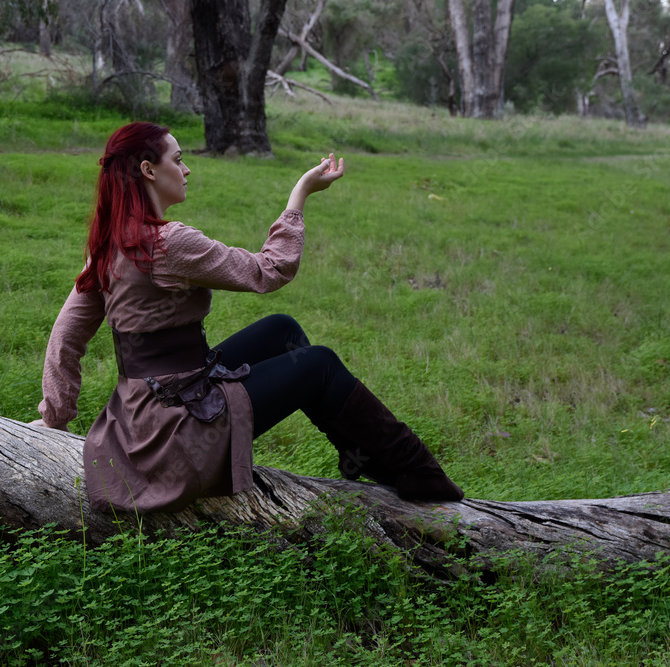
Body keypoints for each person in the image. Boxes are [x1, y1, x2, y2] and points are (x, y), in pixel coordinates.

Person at [38, 121, 463, 514]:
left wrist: (54, 417)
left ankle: (362, 453)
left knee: (282, 330)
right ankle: (415, 472)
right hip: (178, 435)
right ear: (149, 170)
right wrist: (300, 195)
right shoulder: (169, 243)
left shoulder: (112, 242)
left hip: (142, 415)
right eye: (178, 159)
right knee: (319, 365)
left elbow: (65, 336)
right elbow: (270, 270)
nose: (187, 170)